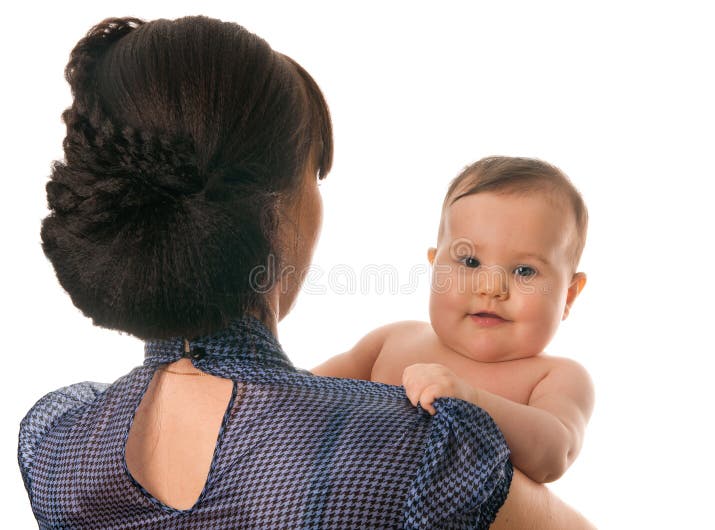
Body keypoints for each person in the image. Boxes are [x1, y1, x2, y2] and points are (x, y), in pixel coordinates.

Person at [18, 15, 594, 529]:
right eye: (314, 178)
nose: (491, 285)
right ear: (280, 207)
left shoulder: (58, 446)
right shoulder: (423, 455)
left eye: (523, 270)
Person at [313, 156, 594, 485]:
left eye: (524, 271)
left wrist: (471, 403)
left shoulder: (554, 377)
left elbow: (555, 452)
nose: (491, 288)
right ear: (435, 268)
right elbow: (298, 396)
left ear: (569, 295)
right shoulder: (391, 342)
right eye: (471, 261)